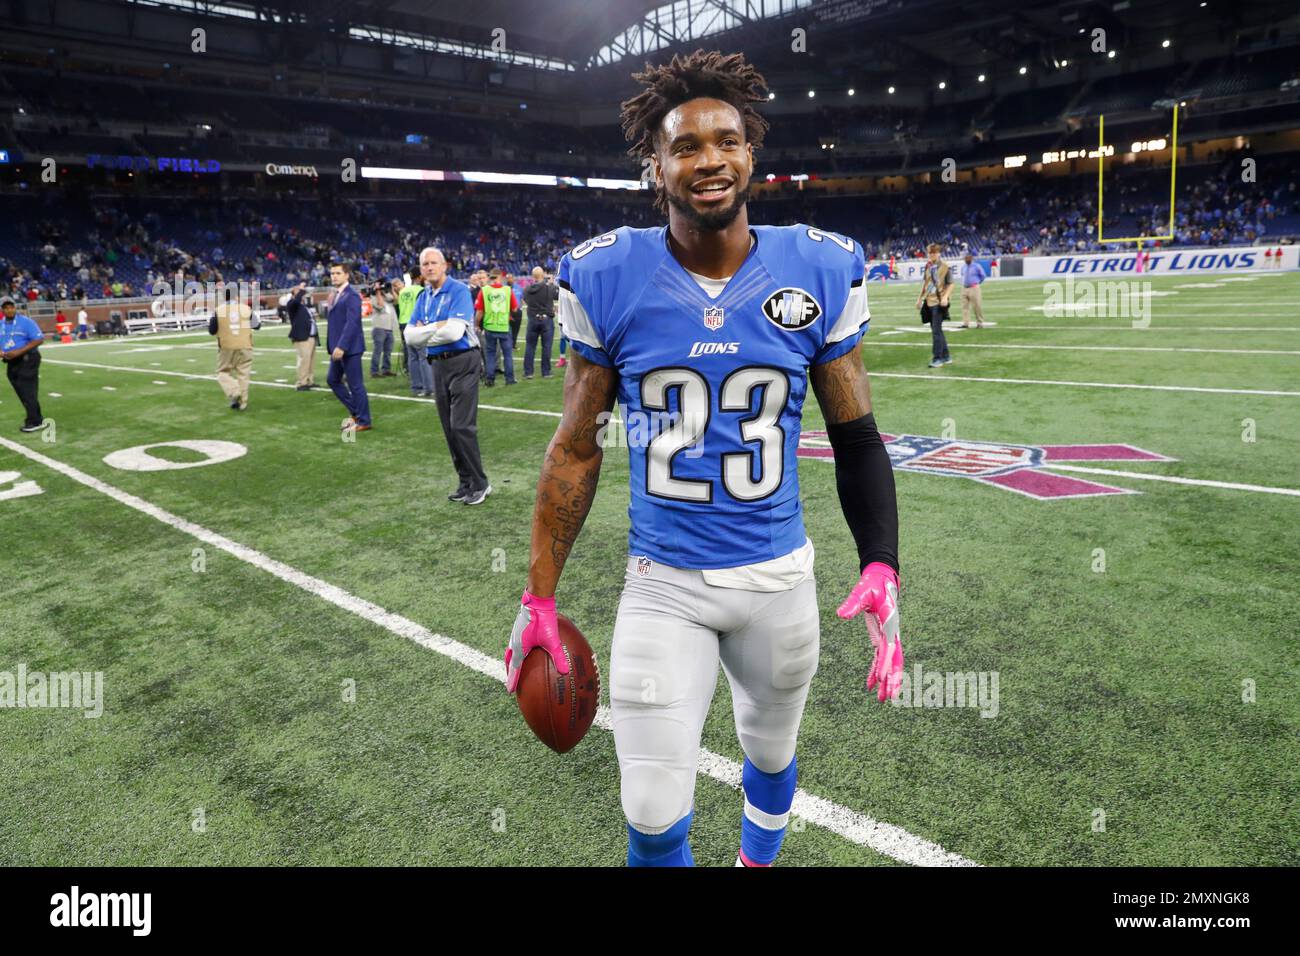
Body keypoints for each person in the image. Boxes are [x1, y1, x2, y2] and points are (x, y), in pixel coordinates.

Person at [503, 50, 901, 868]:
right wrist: (538, 596)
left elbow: (857, 436)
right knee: (651, 814)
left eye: (726, 140)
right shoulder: (610, 274)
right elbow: (577, 448)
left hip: (779, 582)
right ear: (657, 165)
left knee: (769, 758)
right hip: (664, 587)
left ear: (751, 151)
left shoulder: (816, 268)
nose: (709, 159)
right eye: (686, 146)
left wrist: (881, 563)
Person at [403, 247, 491, 504]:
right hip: (437, 364)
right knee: (448, 427)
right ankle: (465, 482)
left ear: (444, 266)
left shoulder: (458, 290)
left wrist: (426, 331)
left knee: (461, 426)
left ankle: (481, 483)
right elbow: (409, 337)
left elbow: (454, 334)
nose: (429, 267)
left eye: (433, 263)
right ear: (421, 270)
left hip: (464, 361)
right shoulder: (423, 296)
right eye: (424, 264)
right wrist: (438, 326)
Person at [325, 261, 371, 431]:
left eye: (337, 273)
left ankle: (364, 420)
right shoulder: (336, 294)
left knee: (355, 385)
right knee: (332, 380)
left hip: (349, 348)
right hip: (337, 348)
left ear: (346, 275)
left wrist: (342, 346)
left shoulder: (351, 295)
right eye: (332, 273)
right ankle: (356, 411)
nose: (334, 276)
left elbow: (352, 323)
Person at [208, 288, 258, 411]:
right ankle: (243, 403)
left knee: (223, 372)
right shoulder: (246, 309)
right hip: (245, 345)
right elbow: (257, 325)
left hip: (226, 346)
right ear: (237, 296)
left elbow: (212, 330)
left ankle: (234, 391)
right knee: (243, 374)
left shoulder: (218, 311)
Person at [1, 295, 46, 433]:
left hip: (28, 358)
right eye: (6, 308)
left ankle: (35, 421)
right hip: (10, 360)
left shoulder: (26, 322)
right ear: (2, 310)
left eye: (11, 307)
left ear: (15, 307)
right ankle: (36, 417)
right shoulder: (1, 324)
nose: (9, 310)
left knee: (27, 389)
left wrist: (18, 351)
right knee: (22, 391)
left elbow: (38, 339)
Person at [475, 268, 519, 387]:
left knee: (490, 354)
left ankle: (490, 379)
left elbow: (479, 311)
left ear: (491, 277)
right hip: (504, 326)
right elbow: (515, 308)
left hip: (489, 327)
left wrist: (476, 324)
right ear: (500, 277)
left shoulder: (484, 291)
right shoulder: (507, 290)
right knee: (508, 354)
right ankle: (509, 379)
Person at [916, 242, 953, 367]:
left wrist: (946, 297)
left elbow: (951, 284)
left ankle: (937, 358)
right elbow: (925, 284)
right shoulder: (928, 266)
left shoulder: (945, 267)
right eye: (929, 252)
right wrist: (919, 299)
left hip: (939, 302)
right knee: (937, 330)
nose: (931, 255)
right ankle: (946, 355)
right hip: (929, 301)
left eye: (934, 252)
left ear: (938, 253)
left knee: (936, 331)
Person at [522, 266, 558, 379]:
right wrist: (552, 283)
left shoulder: (527, 289)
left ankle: (528, 372)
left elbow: (525, 300)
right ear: (543, 275)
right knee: (546, 347)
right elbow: (557, 296)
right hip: (546, 320)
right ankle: (546, 372)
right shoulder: (548, 288)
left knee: (530, 346)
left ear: (533, 276)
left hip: (533, 319)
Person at [285, 282, 319, 390]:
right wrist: (301, 289)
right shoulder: (291, 304)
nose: (301, 293)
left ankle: (309, 381)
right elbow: (296, 300)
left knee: (310, 360)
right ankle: (302, 382)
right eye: (298, 292)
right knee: (304, 360)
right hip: (301, 336)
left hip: (310, 335)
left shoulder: (303, 306)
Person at [369, 282, 397, 378]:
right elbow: (380, 306)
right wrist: (377, 292)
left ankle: (386, 369)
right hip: (379, 327)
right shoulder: (373, 297)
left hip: (389, 327)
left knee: (388, 351)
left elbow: (396, 300)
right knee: (378, 351)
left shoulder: (387, 296)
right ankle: (374, 371)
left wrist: (391, 289)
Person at [959, 253, 986, 329]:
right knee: (964, 307)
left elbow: (983, 276)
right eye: (965, 258)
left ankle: (979, 323)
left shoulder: (977, 266)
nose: (966, 260)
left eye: (968, 258)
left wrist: (977, 283)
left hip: (974, 288)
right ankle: (965, 323)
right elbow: (962, 276)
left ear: (971, 258)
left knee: (977, 306)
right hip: (964, 288)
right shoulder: (963, 267)